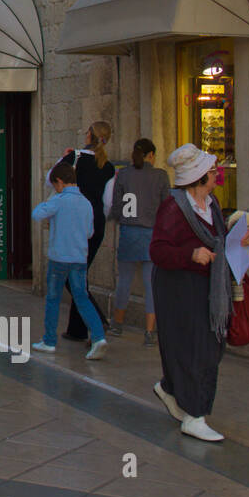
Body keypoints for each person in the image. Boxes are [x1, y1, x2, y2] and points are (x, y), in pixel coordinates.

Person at [150, 144, 249, 442]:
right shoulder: (173, 208)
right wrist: (191, 254)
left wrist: (241, 238)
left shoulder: (212, 203)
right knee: (197, 350)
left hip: (208, 288)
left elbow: (220, 240)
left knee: (210, 346)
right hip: (180, 289)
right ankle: (195, 416)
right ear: (199, 177)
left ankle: (170, 388)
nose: (217, 174)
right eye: (212, 171)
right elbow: (158, 250)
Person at [31, 162, 108, 360]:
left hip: (59, 258)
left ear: (59, 182)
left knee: (53, 299)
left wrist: (49, 202)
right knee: (81, 297)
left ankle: (49, 340)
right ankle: (98, 337)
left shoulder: (59, 200)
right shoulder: (86, 203)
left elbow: (37, 214)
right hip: (80, 259)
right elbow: (90, 232)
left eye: (55, 185)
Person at [108, 138, 170, 344]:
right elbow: (166, 207)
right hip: (151, 233)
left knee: (124, 280)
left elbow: (116, 205)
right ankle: (149, 332)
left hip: (128, 231)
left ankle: (117, 324)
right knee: (150, 283)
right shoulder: (160, 176)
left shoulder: (123, 174)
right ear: (151, 155)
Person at [57, 121, 115, 341]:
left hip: (74, 224)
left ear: (90, 135)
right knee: (80, 274)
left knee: (69, 276)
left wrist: (62, 157)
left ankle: (96, 319)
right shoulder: (108, 167)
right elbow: (108, 202)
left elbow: (51, 180)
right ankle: (77, 329)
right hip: (96, 224)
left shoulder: (74, 158)